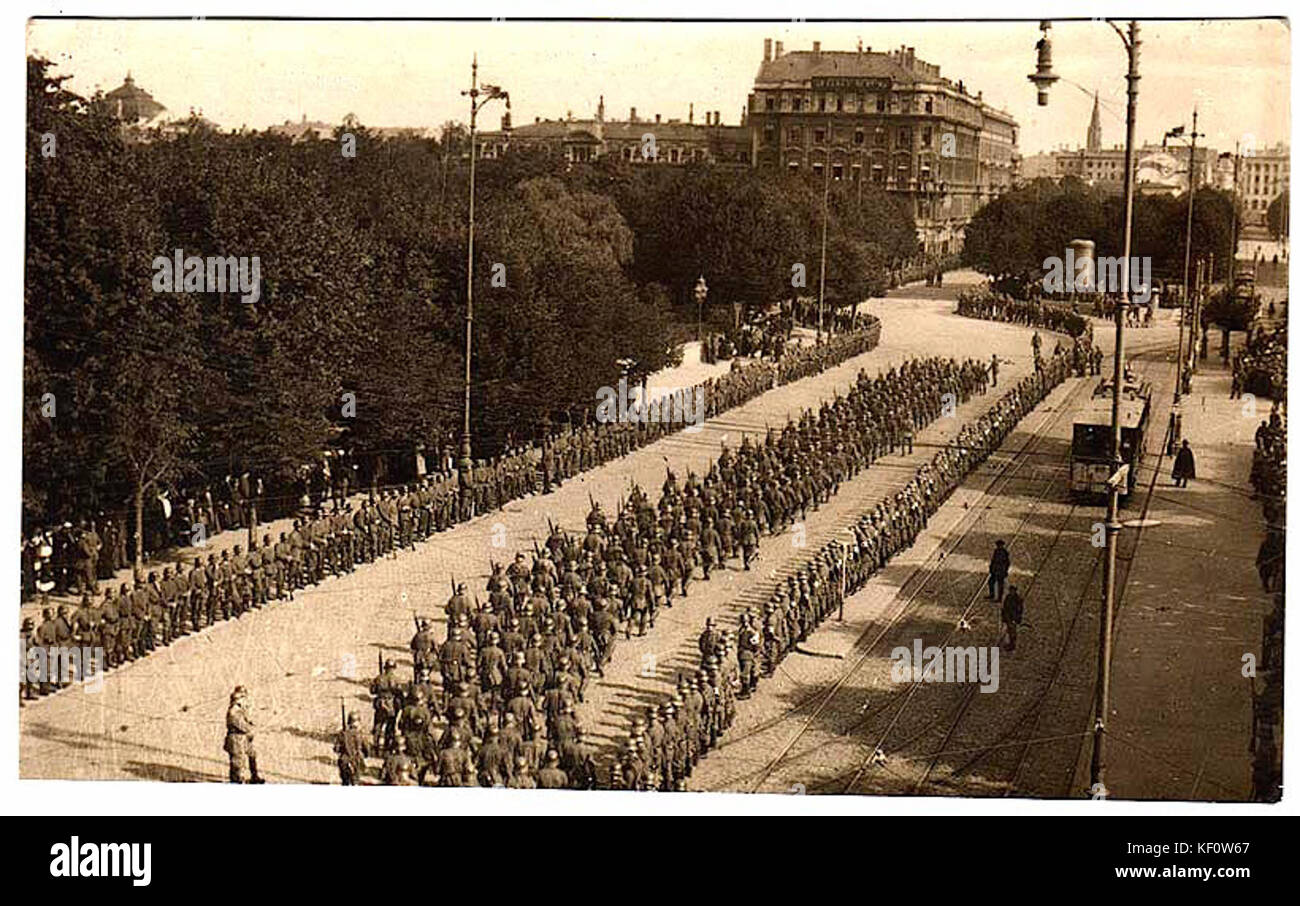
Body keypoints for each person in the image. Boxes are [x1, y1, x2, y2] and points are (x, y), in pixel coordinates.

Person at [224, 686, 265, 784]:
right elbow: (240, 725)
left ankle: (254, 776)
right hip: (236, 738)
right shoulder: (234, 711)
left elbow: (247, 720)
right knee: (238, 760)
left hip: (244, 737)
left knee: (252, 754)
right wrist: (250, 729)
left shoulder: (242, 708)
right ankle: (236, 780)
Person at [335, 712, 370, 785]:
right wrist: (365, 755)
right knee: (355, 781)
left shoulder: (342, 734)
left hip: (344, 761)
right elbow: (366, 749)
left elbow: (336, 749)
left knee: (345, 781)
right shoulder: (361, 734)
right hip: (356, 760)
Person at [1001, 585, 1024, 653]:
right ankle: (1010, 643)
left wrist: (1017, 617)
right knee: (1009, 630)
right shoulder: (1008, 597)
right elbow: (1004, 607)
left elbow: (1020, 610)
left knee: (1013, 632)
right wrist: (1003, 616)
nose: (1011, 592)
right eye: (1010, 590)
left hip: (1014, 617)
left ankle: (1012, 645)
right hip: (1008, 617)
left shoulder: (1017, 599)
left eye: (1012, 591)